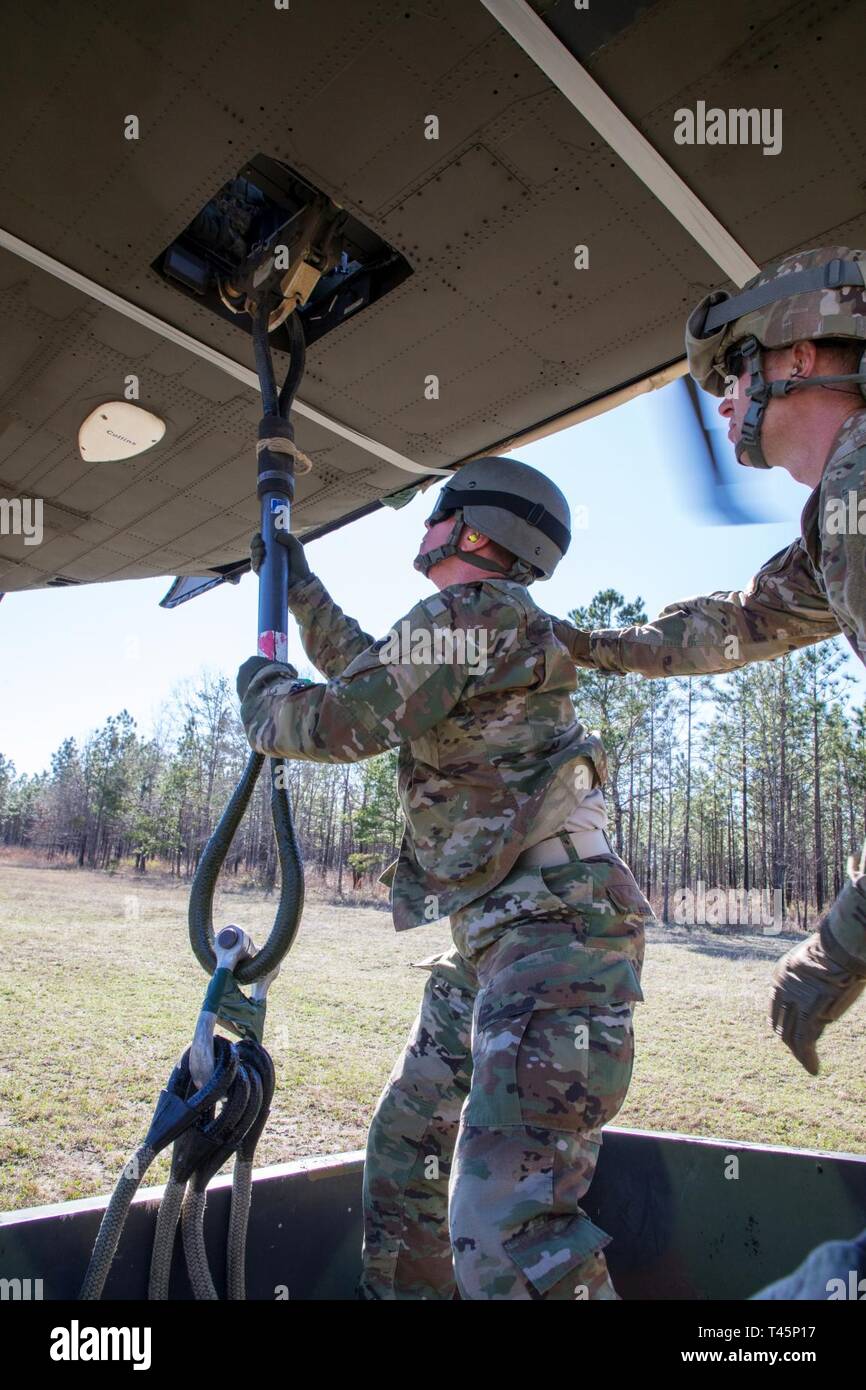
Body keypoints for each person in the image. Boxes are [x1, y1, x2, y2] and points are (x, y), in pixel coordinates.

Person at [237, 456, 654, 1300]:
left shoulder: (471, 615)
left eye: (435, 514)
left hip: (552, 936)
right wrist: (299, 587)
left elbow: (339, 720)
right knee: (409, 1141)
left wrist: (265, 694)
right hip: (505, 934)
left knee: (510, 1224)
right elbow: (372, 672)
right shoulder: (478, 626)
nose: (421, 529)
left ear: (470, 528)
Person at [559, 245, 866, 1077]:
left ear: (799, 356)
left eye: (736, 368)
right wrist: (584, 643)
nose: (726, 399)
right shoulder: (840, 508)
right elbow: (742, 622)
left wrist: (842, 943)